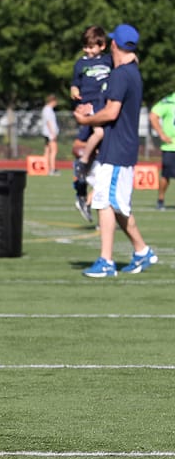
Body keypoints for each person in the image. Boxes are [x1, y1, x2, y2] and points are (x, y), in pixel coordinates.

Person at [75, 24, 157, 278]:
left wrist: (86, 121)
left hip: (117, 149)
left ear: (113, 45)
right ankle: (142, 251)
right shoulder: (129, 72)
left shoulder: (122, 74)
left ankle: (106, 261)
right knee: (117, 206)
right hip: (120, 147)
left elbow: (111, 112)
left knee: (104, 201)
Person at [71, 26, 111, 223]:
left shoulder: (108, 60)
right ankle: (82, 163)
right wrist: (74, 90)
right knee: (99, 134)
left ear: (102, 46)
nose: (88, 51)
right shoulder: (81, 63)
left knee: (104, 162)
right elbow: (75, 82)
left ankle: (86, 198)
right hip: (88, 105)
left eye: (91, 47)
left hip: (103, 104)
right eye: (85, 47)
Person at [149, 90, 175, 211]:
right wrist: (161, 133)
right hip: (171, 146)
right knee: (166, 175)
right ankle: (160, 199)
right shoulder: (169, 101)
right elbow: (153, 115)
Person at [40, 93, 59, 176]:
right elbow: (48, 122)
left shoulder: (47, 109)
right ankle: (52, 169)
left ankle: (45, 168)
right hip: (49, 133)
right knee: (54, 151)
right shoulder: (48, 109)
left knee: (47, 151)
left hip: (47, 132)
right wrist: (52, 132)